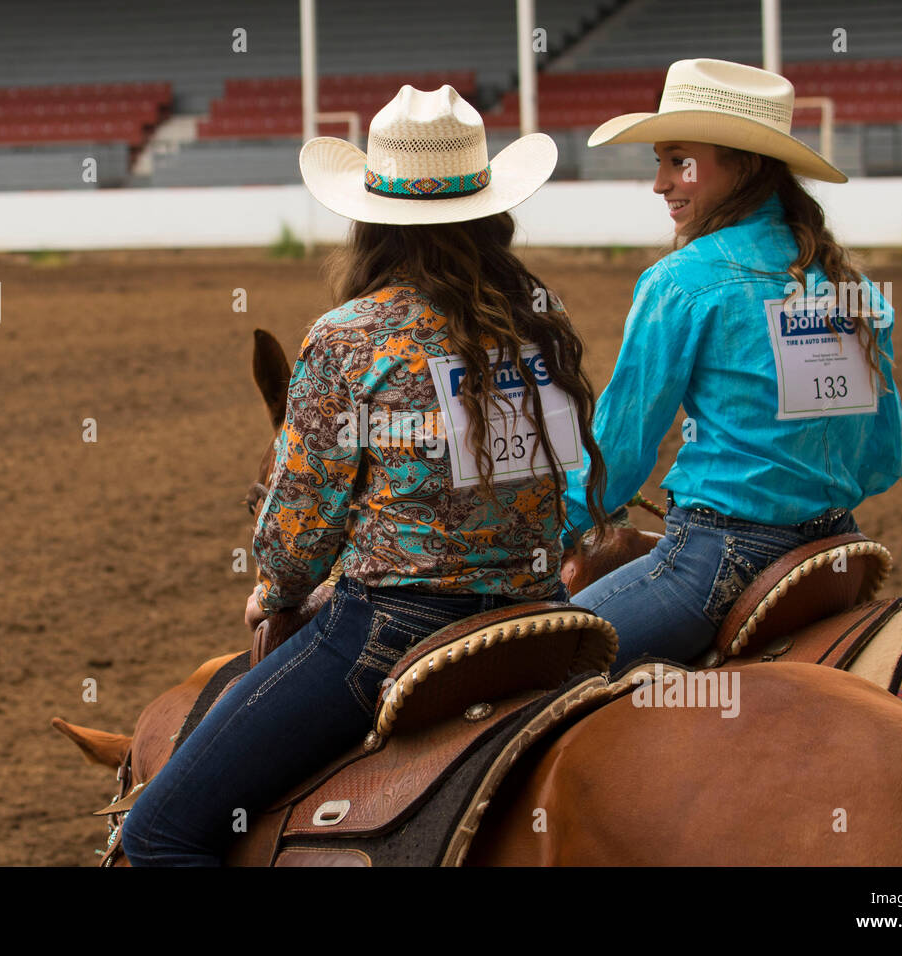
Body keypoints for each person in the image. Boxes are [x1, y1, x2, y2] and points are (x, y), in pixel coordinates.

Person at [123, 84, 611, 866]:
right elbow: (564, 486)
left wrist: (276, 595)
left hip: (395, 632)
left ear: (371, 220)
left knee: (159, 834)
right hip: (538, 613)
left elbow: (300, 524)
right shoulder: (534, 326)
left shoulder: (349, 337)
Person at [562, 59, 902, 672]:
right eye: (661, 163)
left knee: (547, 666)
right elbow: (885, 459)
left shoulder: (681, 281)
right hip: (836, 554)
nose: (661, 183)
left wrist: (548, 531)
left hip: (719, 563)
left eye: (678, 160)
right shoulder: (851, 287)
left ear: (743, 164)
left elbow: (619, 452)